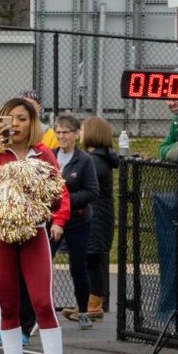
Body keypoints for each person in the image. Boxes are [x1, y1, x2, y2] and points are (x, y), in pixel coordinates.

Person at [0, 96, 72, 354]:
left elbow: (57, 196)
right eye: (8, 118)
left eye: (21, 118)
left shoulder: (42, 154)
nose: (14, 124)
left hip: (34, 235)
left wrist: (36, 193)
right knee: (8, 305)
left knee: (43, 303)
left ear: (32, 123)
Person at [52, 114, 104, 330]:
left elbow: (92, 192)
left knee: (78, 267)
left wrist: (65, 200)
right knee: (44, 262)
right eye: (58, 132)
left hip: (78, 221)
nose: (62, 136)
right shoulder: (50, 156)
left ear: (75, 135)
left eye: (66, 132)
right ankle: (40, 311)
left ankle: (83, 311)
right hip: (52, 220)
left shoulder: (84, 161)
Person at [77, 116, 122, 323]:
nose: (80, 133)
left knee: (92, 259)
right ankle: (91, 302)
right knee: (93, 259)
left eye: (83, 129)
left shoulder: (95, 161)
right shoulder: (101, 158)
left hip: (96, 217)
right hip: (100, 215)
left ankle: (93, 304)